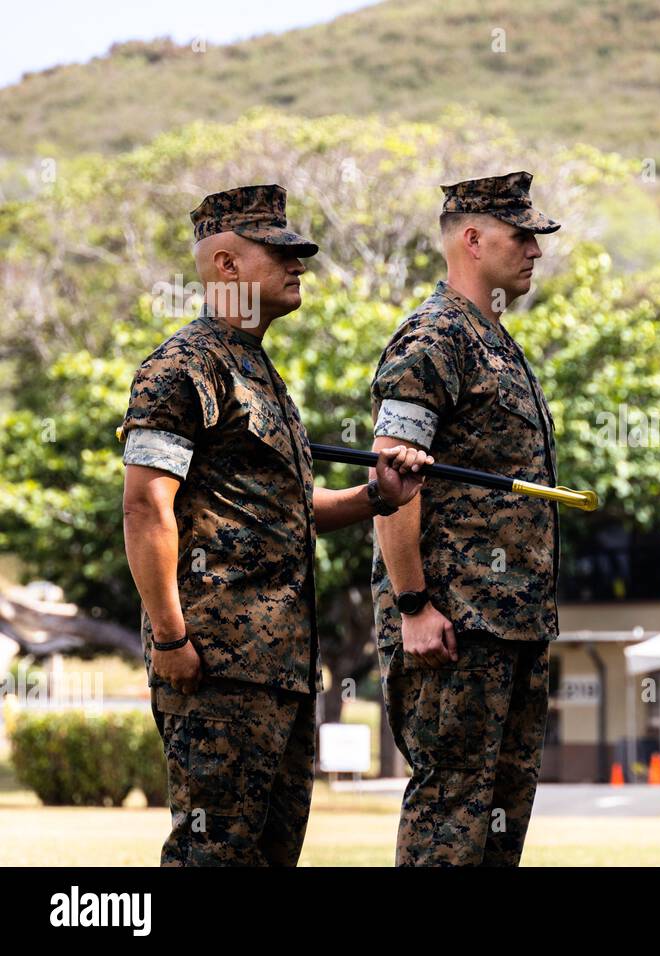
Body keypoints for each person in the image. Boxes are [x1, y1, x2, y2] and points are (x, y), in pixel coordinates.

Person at [121, 184, 432, 866]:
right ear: (226, 266)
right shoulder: (183, 368)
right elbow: (145, 506)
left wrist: (377, 495)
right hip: (215, 662)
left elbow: (290, 510)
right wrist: (171, 637)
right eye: (282, 252)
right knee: (213, 852)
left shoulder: (258, 373)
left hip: (281, 666)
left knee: (267, 854)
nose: (300, 265)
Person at [369, 170, 561, 866]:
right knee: (450, 814)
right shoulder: (434, 337)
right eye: (523, 236)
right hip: (454, 626)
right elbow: (391, 480)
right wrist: (413, 603)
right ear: (473, 240)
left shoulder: (496, 341)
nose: (536, 250)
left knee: (503, 819)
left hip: (512, 625)